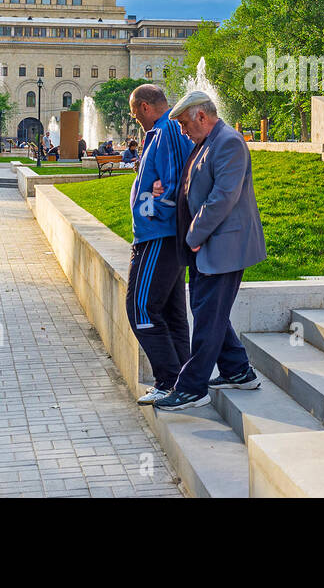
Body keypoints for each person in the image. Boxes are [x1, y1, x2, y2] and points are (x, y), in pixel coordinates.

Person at [152, 91, 266, 411]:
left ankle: (192, 388)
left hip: (222, 247)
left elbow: (222, 198)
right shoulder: (207, 142)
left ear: (202, 116)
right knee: (209, 312)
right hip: (208, 246)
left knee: (206, 320)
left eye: (185, 124)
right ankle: (238, 371)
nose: (184, 131)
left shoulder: (228, 142)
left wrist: (193, 235)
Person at [126, 84, 193, 407]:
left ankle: (168, 380)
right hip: (161, 234)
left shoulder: (166, 131)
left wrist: (156, 207)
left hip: (158, 235)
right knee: (170, 311)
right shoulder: (164, 132)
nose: (133, 118)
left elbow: (175, 182)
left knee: (140, 308)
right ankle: (185, 382)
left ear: (143, 107)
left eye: (133, 112)